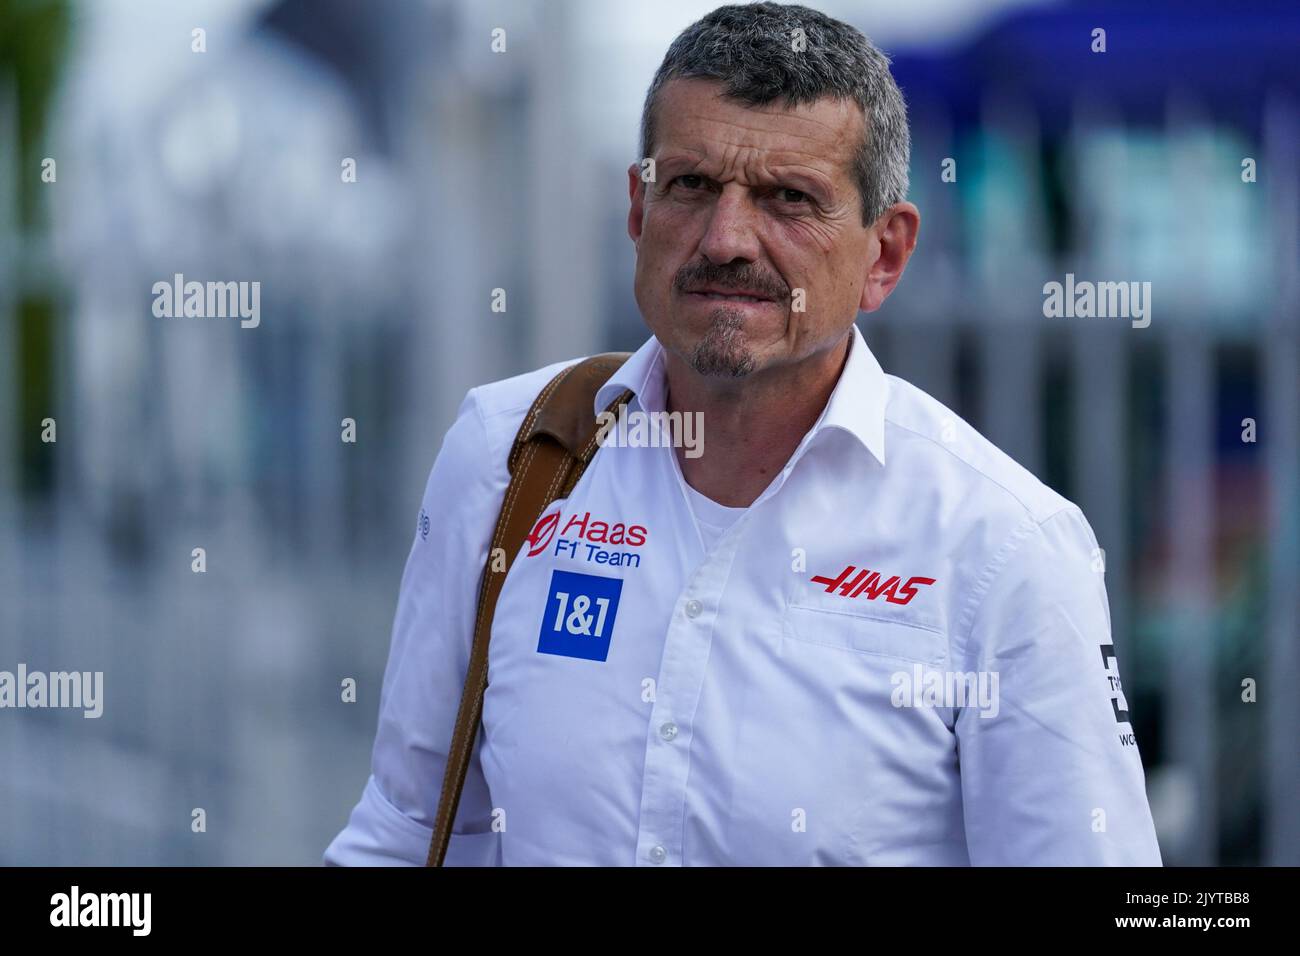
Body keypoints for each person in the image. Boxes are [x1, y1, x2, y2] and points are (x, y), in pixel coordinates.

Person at [325, 1, 1162, 866]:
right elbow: (403, 830)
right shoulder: (510, 455)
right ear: (638, 209)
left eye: (789, 199)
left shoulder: (1004, 547)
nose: (726, 239)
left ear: (885, 255)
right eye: (690, 185)